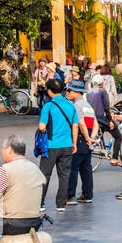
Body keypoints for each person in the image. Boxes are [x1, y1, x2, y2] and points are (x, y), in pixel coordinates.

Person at [36, 77, 79, 211]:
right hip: (67, 145)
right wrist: (74, 143)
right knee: (64, 175)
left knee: (44, 174)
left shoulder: (48, 106)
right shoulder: (71, 105)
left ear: (49, 91)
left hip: (51, 146)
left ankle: (40, 204)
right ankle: (61, 205)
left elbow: (42, 127)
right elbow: (75, 126)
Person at [63, 80, 96, 205]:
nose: (67, 93)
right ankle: (87, 195)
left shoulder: (76, 105)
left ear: (76, 92)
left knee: (73, 168)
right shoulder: (88, 106)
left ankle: (70, 196)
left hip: (80, 139)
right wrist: (91, 138)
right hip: (88, 141)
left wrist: (86, 138)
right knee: (86, 168)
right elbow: (95, 124)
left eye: (69, 90)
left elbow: (80, 123)